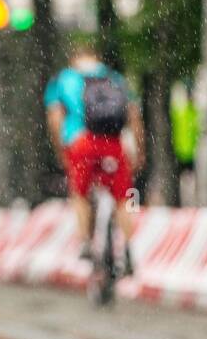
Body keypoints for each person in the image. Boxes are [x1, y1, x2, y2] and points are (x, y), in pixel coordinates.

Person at [45, 40, 144, 273]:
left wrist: (61, 149)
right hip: (113, 144)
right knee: (122, 197)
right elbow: (134, 116)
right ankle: (128, 249)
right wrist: (139, 151)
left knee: (79, 193)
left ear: (74, 58)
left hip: (81, 144)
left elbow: (55, 118)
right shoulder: (115, 79)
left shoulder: (63, 80)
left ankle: (85, 243)